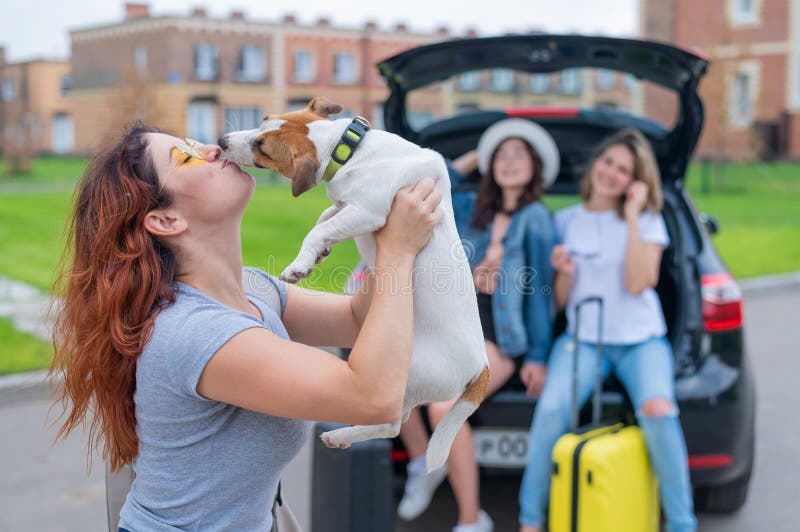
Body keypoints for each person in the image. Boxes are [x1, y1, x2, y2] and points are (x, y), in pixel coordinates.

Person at [49, 123, 443, 531]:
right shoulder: (194, 332)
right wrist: (398, 251)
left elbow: (358, 321)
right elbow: (373, 398)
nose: (211, 147)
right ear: (165, 220)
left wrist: (379, 223)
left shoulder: (253, 288)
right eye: (186, 156)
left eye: (192, 142)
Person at [518, 128, 697, 532]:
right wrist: (563, 274)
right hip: (584, 342)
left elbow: (638, 282)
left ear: (634, 180)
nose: (611, 173)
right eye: (608, 162)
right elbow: (560, 303)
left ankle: (682, 523)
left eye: (623, 169)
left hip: (641, 342)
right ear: (595, 164)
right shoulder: (565, 222)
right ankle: (530, 519)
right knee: (549, 412)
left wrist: (632, 217)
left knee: (659, 411)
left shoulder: (648, 221)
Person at [396, 118, 559, 532]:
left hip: (500, 337)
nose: (508, 162)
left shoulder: (537, 218)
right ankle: (422, 462)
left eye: (518, 155)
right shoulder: (470, 209)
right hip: (454, 323)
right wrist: (477, 157)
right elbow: (431, 177)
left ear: (535, 166)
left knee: (445, 405)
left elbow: (541, 292)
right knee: (394, 374)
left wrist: (539, 356)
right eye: (501, 156)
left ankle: (472, 519)